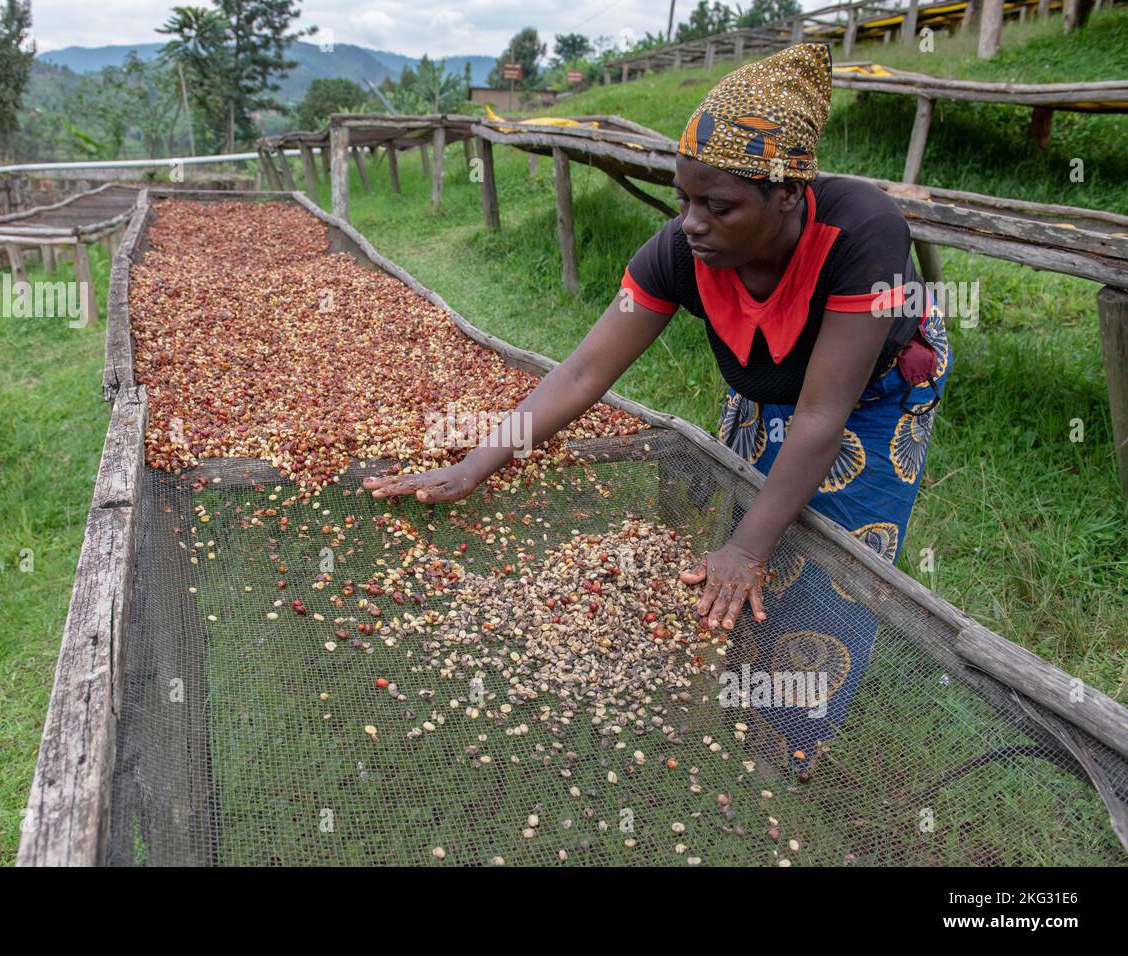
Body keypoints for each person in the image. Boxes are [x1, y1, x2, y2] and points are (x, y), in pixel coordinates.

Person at [364, 42, 952, 769]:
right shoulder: (680, 253)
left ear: (789, 195)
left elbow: (823, 418)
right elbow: (581, 374)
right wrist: (477, 462)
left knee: (821, 553)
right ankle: (732, 696)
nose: (692, 221)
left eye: (718, 205)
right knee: (751, 517)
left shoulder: (863, 232)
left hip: (867, 399)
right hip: (767, 386)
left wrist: (746, 551)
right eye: (683, 199)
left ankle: (786, 749)